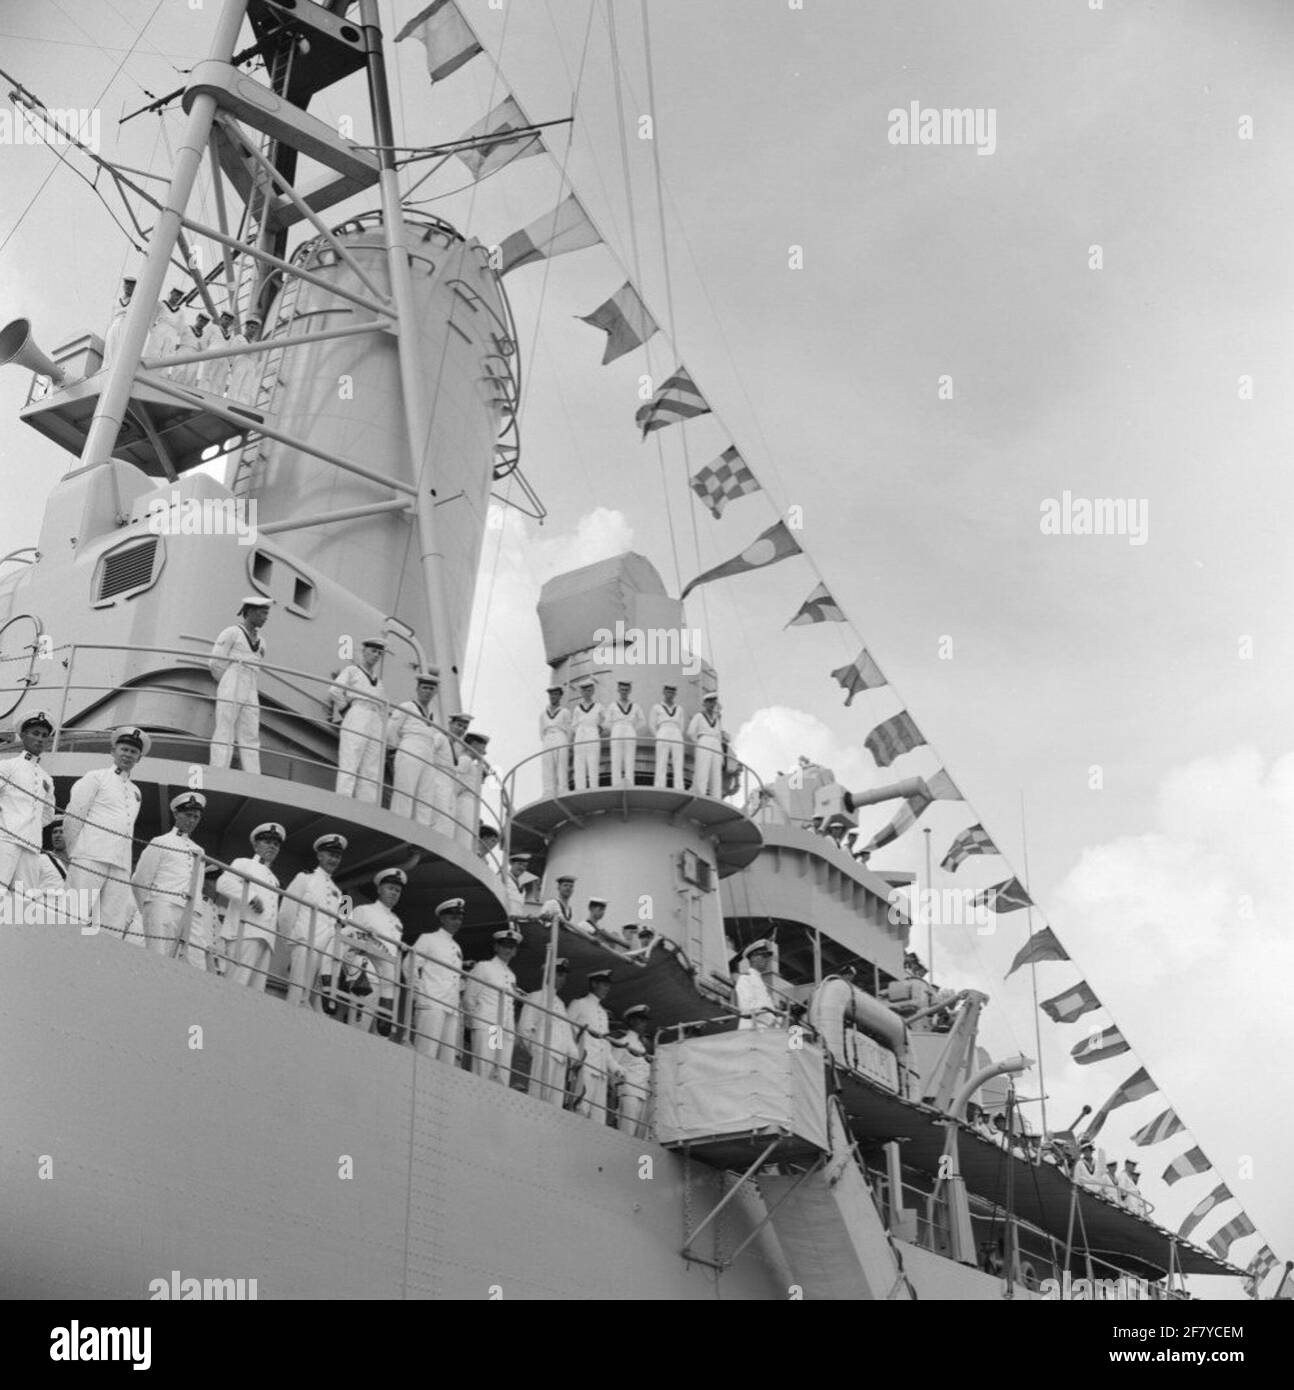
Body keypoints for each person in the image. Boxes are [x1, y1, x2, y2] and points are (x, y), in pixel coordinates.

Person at [64, 726, 147, 938]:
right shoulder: (96, 778)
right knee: (74, 914)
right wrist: (76, 853)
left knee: (112, 924)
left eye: (133, 752)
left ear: (139, 758)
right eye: (124, 749)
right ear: (113, 752)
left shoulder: (135, 792)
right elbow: (74, 816)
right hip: (90, 855)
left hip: (120, 864)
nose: (128, 754)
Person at [131, 791, 206, 959]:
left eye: (196, 817)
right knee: (159, 957)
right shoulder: (161, 842)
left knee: (194, 960)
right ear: (176, 814)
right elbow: (139, 880)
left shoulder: (199, 851)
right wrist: (150, 910)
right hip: (162, 907)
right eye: (188, 815)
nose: (192, 820)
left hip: (190, 913)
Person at [277, 832, 349, 1006]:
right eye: (331, 855)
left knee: (317, 1003)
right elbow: (286, 913)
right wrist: (293, 944)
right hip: (305, 946)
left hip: (327, 956)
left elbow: (344, 929)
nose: (334, 860)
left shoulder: (340, 894)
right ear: (319, 855)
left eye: (337, 856)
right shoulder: (304, 878)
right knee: (297, 997)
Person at [215, 823, 284, 990]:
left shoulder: (274, 879)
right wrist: (251, 897)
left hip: (266, 940)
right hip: (245, 934)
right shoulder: (244, 863)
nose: (272, 847)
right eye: (267, 842)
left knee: (255, 992)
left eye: (276, 844)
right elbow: (223, 883)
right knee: (236, 985)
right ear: (255, 844)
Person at [0, 709, 56, 905]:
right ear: (23, 736)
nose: (40, 739)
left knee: (22, 905)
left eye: (44, 735)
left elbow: (48, 814)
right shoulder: (7, 766)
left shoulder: (46, 778)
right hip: (6, 841)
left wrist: (29, 828)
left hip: (31, 847)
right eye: (35, 733)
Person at [209, 596, 270, 772]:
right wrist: (227, 681)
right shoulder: (232, 633)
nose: (265, 618)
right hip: (233, 676)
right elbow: (216, 662)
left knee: (251, 731)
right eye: (262, 613)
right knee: (225, 726)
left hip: (251, 682)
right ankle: (219, 769)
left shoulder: (262, 642)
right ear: (249, 612)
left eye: (267, 614)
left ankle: (253, 774)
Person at [345, 868, 405, 1037]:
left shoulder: (397, 922)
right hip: (366, 978)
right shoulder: (363, 911)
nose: (394, 893)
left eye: (397, 890)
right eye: (390, 888)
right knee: (358, 1029)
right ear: (379, 889)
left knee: (381, 1035)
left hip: (388, 984)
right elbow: (346, 939)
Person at [405, 897, 466, 1062]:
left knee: (447, 1059)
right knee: (426, 1053)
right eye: (453, 917)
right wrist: (419, 993)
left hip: (451, 1007)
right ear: (442, 918)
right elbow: (408, 965)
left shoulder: (457, 947)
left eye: (460, 918)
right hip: (432, 1003)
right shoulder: (428, 939)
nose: (457, 922)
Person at [330, 638, 388, 801]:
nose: (376, 655)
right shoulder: (352, 671)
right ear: (364, 651)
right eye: (373, 651)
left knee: (371, 766)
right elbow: (335, 690)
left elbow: (383, 706)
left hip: (375, 718)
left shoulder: (379, 682)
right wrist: (345, 709)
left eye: (379, 653)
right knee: (351, 757)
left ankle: (366, 803)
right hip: (357, 712)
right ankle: (343, 798)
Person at [387, 668, 446, 824]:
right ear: (417, 689)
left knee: (425, 796)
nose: (427, 691)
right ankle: (398, 823)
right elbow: (391, 730)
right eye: (424, 688)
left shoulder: (433, 715)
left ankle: (421, 827)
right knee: (405, 790)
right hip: (410, 748)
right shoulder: (407, 706)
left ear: (435, 692)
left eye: (431, 689)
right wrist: (394, 749)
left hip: (428, 754)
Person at [463, 927, 521, 1083]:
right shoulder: (484, 967)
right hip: (487, 1025)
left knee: (499, 1072)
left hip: (501, 1030)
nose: (507, 950)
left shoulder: (511, 975)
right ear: (496, 947)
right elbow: (469, 998)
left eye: (511, 947)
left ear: (515, 951)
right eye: (504, 945)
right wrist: (474, 1022)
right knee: (484, 1069)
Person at [517, 957, 578, 1103]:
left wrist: (574, 1055)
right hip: (545, 1053)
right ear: (548, 974)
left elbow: (566, 1034)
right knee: (538, 1097)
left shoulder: (561, 1004)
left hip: (560, 1058)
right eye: (559, 974)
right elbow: (524, 1028)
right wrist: (538, 1049)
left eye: (564, 976)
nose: (562, 979)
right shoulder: (537, 996)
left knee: (554, 1103)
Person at [569, 969, 614, 1120]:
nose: (607, 989)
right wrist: (574, 1056)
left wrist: (614, 1067)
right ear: (594, 984)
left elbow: (606, 1046)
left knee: (598, 1117)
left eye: (608, 985)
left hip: (600, 1069)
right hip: (585, 1064)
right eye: (604, 984)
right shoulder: (579, 1004)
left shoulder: (603, 1013)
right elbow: (568, 1031)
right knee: (581, 1109)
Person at [610, 1003, 653, 1137]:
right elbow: (613, 1065)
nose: (644, 1024)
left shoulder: (643, 1046)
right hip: (629, 1092)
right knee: (627, 1132)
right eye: (641, 1020)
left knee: (639, 1136)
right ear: (631, 1021)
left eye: (645, 1021)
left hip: (642, 1093)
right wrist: (616, 1089)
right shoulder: (623, 1042)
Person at [606, 680, 645, 788]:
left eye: (626, 690)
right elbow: (607, 722)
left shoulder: (635, 705)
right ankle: (616, 784)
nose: (624, 692)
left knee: (630, 758)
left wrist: (632, 729)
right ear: (618, 690)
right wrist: (615, 729)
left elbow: (642, 721)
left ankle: (630, 783)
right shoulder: (613, 705)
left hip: (629, 729)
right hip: (617, 729)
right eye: (622, 689)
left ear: (630, 691)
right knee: (616, 758)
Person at [455, 732, 490, 851]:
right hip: (463, 801)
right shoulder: (465, 759)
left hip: (470, 802)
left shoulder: (470, 762)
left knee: (467, 833)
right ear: (474, 744)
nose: (484, 752)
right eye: (483, 748)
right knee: (463, 832)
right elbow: (457, 783)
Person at [734, 939, 780, 1029]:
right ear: (753, 958)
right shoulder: (745, 979)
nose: (767, 960)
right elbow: (746, 1007)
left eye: (767, 956)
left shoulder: (761, 983)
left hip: (764, 1028)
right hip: (751, 1027)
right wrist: (769, 1016)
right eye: (764, 956)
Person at [688, 693, 725, 798]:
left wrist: (721, 753)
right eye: (709, 702)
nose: (712, 704)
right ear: (704, 703)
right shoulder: (699, 716)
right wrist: (698, 743)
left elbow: (719, 736)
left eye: (713, 702)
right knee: (702, 770)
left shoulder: (717, 719)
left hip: (716, 744)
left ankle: (717, 797)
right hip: (704, 740)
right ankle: (700, 794)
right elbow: (691, 732)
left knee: (716, 773)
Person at [569, 679, 604, 790]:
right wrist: (578, 733)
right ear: (581, 693)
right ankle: (580, 788)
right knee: (579, 763)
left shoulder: (599, 706)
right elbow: (574, 725)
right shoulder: (577, 708)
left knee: (593, 761)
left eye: (589, 690)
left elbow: (606, 720)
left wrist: (600, 727)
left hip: (592, 732)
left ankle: (594, 787)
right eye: (584, 691)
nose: (587, 693)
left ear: (593, 691)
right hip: (580, 734)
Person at [440, 712, 470, 836]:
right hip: (438, 782)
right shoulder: (440, 738)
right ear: (450, 724)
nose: (461, 730)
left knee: (445, 818)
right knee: (439, 815)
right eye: (458, 725)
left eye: (464, 728)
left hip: (447, 786)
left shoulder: (454, 749)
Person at [538, 685, 572, 796]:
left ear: (560, 696)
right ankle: (548, 791)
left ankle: (563, 789)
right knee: (547, 765)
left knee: (561, 764)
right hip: (548, 737)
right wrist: (547, 739)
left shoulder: (565, 712)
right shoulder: (543, 714)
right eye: (551, 694)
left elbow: (568, 729)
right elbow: (541, 732)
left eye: (556, 694)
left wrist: (566, 741)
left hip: (560, 735)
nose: (553, 696)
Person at [650, 683, 685, 789]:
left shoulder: (679, 709)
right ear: (664, 692)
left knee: (678, 761)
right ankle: (660, 785)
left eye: (672, 692)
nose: (670, 694)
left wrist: (678, 734)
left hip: (676, 732)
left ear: (675, 694)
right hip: (663, 730)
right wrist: (658, 735)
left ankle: (679, 786)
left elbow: (682, 725)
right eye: (668, 692)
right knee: (662, 760)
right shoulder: (657, 707)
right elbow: (652, 724)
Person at [145, 287, 186, 375]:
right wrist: (152, 329)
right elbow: (152, 316)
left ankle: (161, 375)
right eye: (175, 295)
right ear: (171, 294)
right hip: (161, 327)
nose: (177, 298)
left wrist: (177, 340)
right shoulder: (161, 304)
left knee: (167, 355)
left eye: (179, 297)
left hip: (172, 332)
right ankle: (148, 372)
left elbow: (181, 327)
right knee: (153, 351)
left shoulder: (181, 312)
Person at [227, 312, 261, 404]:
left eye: (255, 329)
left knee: (247, 385)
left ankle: (243, 403)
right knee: (237, 382)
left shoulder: (254, 343)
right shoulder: (239, 338)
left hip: (250, 364)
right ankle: (231, 401)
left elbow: (256, 358)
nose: (253, 330)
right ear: (246, 327)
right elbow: (231, 352)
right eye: (251, 327)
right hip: (240, 361)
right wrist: (231, 364)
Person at [102, 276, 136, 367]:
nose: (128, 287)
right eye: (127, 285)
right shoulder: (116, 301)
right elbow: (111, 317)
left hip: (127, 325)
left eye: (131, 286)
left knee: (121, 350)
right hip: (115, 325)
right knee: (110, 348)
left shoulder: (135, 301)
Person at [176, 310, 212, 389]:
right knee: (179, 371)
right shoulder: (186, 328)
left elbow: (205, 350)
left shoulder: (205, 335)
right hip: (183, 351)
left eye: (205, 322)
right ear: (197, 318)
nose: (202, 323)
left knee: (190, 375)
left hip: (195, 354)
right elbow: (176, 334)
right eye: (201, 320)